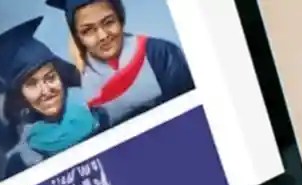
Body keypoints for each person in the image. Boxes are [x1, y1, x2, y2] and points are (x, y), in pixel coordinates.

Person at [0, 17, 109, 176]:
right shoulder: (22, 163)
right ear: (21, 96)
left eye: (50, 77)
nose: (46, 90)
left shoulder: (98, 117)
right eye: (32, 84)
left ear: (61, 77)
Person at [46, 0, 195, 125]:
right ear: (77, 37)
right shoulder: (79, 87)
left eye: (109, 22)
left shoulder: (160, 53)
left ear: (121, 19)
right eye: (88, 31)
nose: (103, 36)